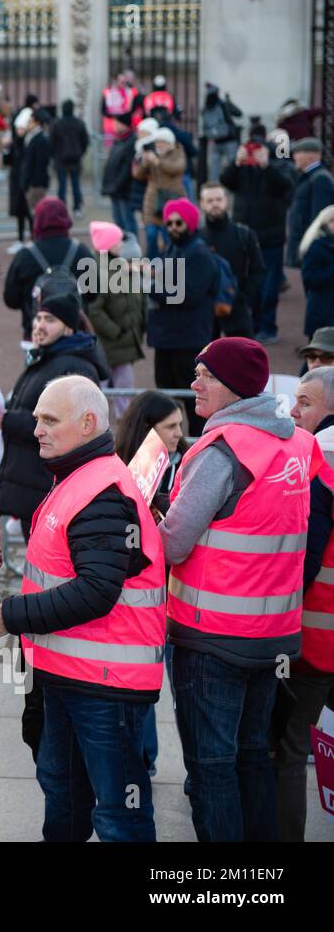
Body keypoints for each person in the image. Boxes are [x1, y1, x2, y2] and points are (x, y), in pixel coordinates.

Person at [0, 376, 164, 841]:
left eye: (50, 420)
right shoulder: (78, 477)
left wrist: (7, 616)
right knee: (64, 794)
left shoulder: (101, 491)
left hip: (104, 687)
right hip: (72, 675)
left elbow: (96, 590)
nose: (37, 431)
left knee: (117, 815)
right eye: (36, 420)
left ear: (88, 423)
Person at [158, 337, 322, 842]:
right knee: (254, 755)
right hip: (274, 635)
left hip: (214, 639)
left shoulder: (223, 450)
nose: (194, 385)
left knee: (211, 767)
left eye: (205, 376)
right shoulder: (298, 442)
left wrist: (151, 516)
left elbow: (174, 544)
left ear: (232, 388)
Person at [0, 283, 111, 539]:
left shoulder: (72, 366)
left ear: (68, 327)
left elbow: (67, 426)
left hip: (46, 482)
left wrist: (7, 420)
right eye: (37, 318)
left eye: (49, 319)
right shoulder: (46, 358)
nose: (39, 325)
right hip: (33, 480)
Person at [273, 366, 334, 841]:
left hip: (314, 638)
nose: (293, 411)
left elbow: (304, 561)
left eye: (305, 403)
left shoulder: (318, 460)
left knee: (287, 747)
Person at [148, 199, 219, 436]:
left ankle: (199, 444)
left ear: (189, 222)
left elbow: (188, 294)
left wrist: (151, 288)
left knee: (193, 401)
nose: (172, 227)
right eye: (168, 223)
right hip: (167, 339)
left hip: (187, 340)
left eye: (178, 222)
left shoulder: (199, 253)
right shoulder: (172, 249)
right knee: (167, 397)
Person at [221, 124, 296, 344]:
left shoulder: (280, 163)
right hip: (245, 234)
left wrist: (266, 166)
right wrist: (236, 162)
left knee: (270, 284)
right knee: (246, 282)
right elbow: (226, 181)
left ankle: (268, 326)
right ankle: (250, 325)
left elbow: (284, 186)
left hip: (271, 234)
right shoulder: (243, 167)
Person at [2, 197, 91, 341]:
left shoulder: (25, 255)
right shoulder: (81, 251)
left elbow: (11, 299)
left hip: (37, 333)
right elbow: (93, 294)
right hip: (74, 332)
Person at [86, 221, 145, 420]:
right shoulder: (98, 273)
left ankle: (124, 421)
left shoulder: (118, 266)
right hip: (110, 340)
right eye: (117, 240)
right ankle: (99, 423)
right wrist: (116, 331)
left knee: (124, 385)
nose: (121, 244)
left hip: (122, 340)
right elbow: (95, 311)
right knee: (102, 386)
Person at [199, 182, 262, 339]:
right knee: (203, 361)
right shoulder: (196, 238)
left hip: (237, 305)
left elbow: (258, 269)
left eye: (218, 199)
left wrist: (244, 298)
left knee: (244, 359)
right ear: (202, 204)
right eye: (210, 200)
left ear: (226, 201)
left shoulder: (244, 234)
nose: (215, 204)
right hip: (205, 309)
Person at [115, 390, 188, 518]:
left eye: (180, 425)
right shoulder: (117, 465)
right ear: (146, 428)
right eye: (171, 426)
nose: (179, 433)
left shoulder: (188, 466)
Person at [135, 128, 187, 256]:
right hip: (152, 201)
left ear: (170, 143)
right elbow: (138, 175)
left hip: (171, 200)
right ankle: (152, 265)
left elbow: (176, 168)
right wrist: (145, 163)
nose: (159, 145)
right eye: (157, 142)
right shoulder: (152, 153)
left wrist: (158, 162)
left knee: (168, 237)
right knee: (151, 236)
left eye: (162, 142)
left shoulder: (178, 153)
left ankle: (168, 263)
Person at [287, 139, 334, 269]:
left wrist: (311, 246)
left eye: (298, 152)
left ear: (311, 155)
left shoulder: (320, 179)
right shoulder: (311, 177)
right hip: (305, 241)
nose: (294, 156)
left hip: (311, 245)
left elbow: (319, 218)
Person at [103, 113, 139, 236]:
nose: (115, 125)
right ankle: (122, 250)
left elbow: (127, 168)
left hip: (124, 190)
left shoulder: (131, 141)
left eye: (117, 122)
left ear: (125, 124)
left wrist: (117, 185)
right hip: (115, 189)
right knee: (118, 222)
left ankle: (133, 252)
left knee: (128, 223)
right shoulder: (118, 139)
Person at [51, 100, 89, 217]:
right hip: (75, 159)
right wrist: (80, 153)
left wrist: (55, 155)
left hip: (60, 160)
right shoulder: (79, 123)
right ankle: (77, 208)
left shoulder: (57, 124)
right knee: (76, 185)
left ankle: (61, 210)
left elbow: (52, 142)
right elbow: (85, 141)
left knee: (62, 187)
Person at [301, 205, 334, 339]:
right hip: (322, 312)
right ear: (324, 225)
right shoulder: (316, 247)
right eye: (332, 221)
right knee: (318, 356)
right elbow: (309, 279)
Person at [200, 84, 243, 183]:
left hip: (215, 141)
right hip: (229, 141)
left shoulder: (205, 108)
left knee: (214, 171)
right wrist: (229, 103)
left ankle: (213, 188)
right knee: (234, 166)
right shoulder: (223, 104)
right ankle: (234, 186)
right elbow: (239, 113)